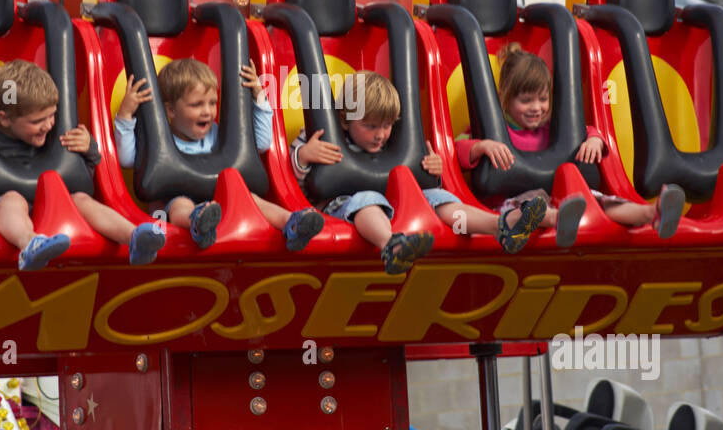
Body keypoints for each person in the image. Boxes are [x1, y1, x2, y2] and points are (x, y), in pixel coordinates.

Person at [292, 71, 543, 275]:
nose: (381, 134)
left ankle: (501, 225)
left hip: (394, 202)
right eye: (370, 127)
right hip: (343, 205)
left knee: (438, 198)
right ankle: (391, 245)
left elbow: (421, 173)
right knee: (367, 200)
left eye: (388, 126)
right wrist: (303, 156)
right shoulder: (324, 137)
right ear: (345, 120)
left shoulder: (393, 145)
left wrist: (433, 169)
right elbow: (295, 182)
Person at [0, 59, 165, 270]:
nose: (48, 125)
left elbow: (80, 180)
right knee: (12, 199)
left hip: (49, 205)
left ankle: (135, 237)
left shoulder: (52, 136)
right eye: (37, 121)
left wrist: (89, 152)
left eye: (52, 116)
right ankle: (30, 244)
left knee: (81, 199)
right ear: (5, 118)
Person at [456, 44, 685, 246]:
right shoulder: (498, 130)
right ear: (504, 98)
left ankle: (650, 213)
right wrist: (482, 146)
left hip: (561, 198)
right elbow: (457, 147)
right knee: (534, 205)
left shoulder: (551, 128)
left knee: (598, 199)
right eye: (526, 101)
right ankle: (559, 220)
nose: (536, 107)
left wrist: (595, 140)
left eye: (543, 99)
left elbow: (586, 131)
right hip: (513, 204)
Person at [115, 57, 324, 251]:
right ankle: (197, 222)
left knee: (252, 198)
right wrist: (125, 115)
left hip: (218, 198)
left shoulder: (217, 133)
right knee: (181, 204)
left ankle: (293, 223)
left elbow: (260, 144)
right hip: (174, 202)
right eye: (197, 105)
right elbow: (127, 159)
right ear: (170, 111)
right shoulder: (160, 138)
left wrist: (259, 98)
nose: (207, 111)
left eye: (212, 103)